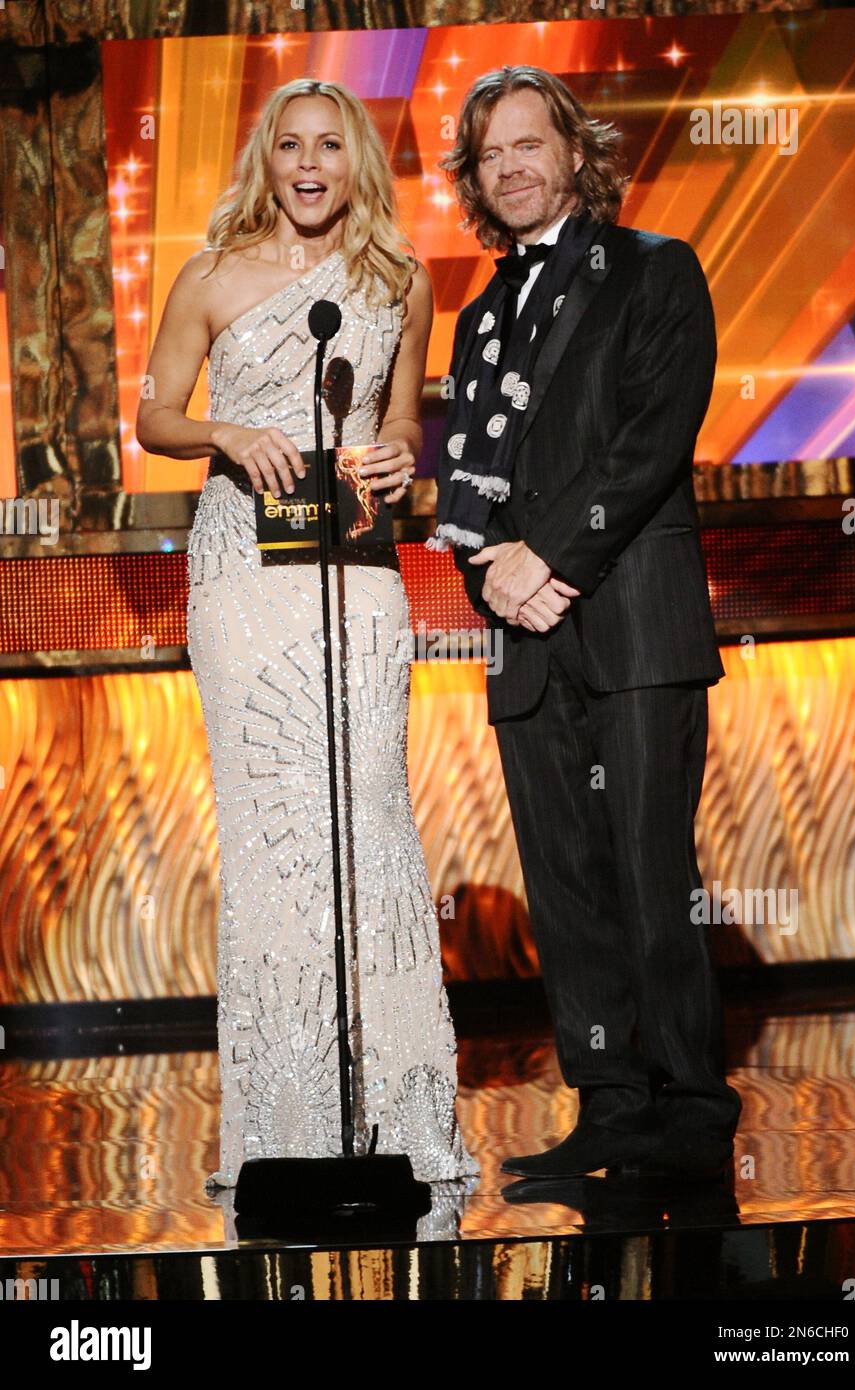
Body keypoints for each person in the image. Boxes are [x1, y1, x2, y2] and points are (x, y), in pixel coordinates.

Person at [136, 77, 478, 1190]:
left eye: (330, 144)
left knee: (368, 813)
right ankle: (286, 1124)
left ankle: (396, 1114)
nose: (310, 163)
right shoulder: (210, 273)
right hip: (245, 575)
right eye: (290, 145)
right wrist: (226, 431)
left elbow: (398, 415)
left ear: (358, 161)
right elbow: (153, 413)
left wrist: (394, 453)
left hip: (355, 569)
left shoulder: (396, 280)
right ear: (266, 160)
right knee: (275, 831)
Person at [428, 65, 742, 1180]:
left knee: (650, 874)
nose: (509, 167)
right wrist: (492, 582)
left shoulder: (654, 270)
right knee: (564, 888)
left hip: (634, 623)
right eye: (488, 155)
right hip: (522, 636)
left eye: (527, 144)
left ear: (572, 151)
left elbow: (652, 441)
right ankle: (608, 1102)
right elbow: (466, 487)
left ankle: (695, 1111)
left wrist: (549, 562)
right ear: (474, 178)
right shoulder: (475, 318)